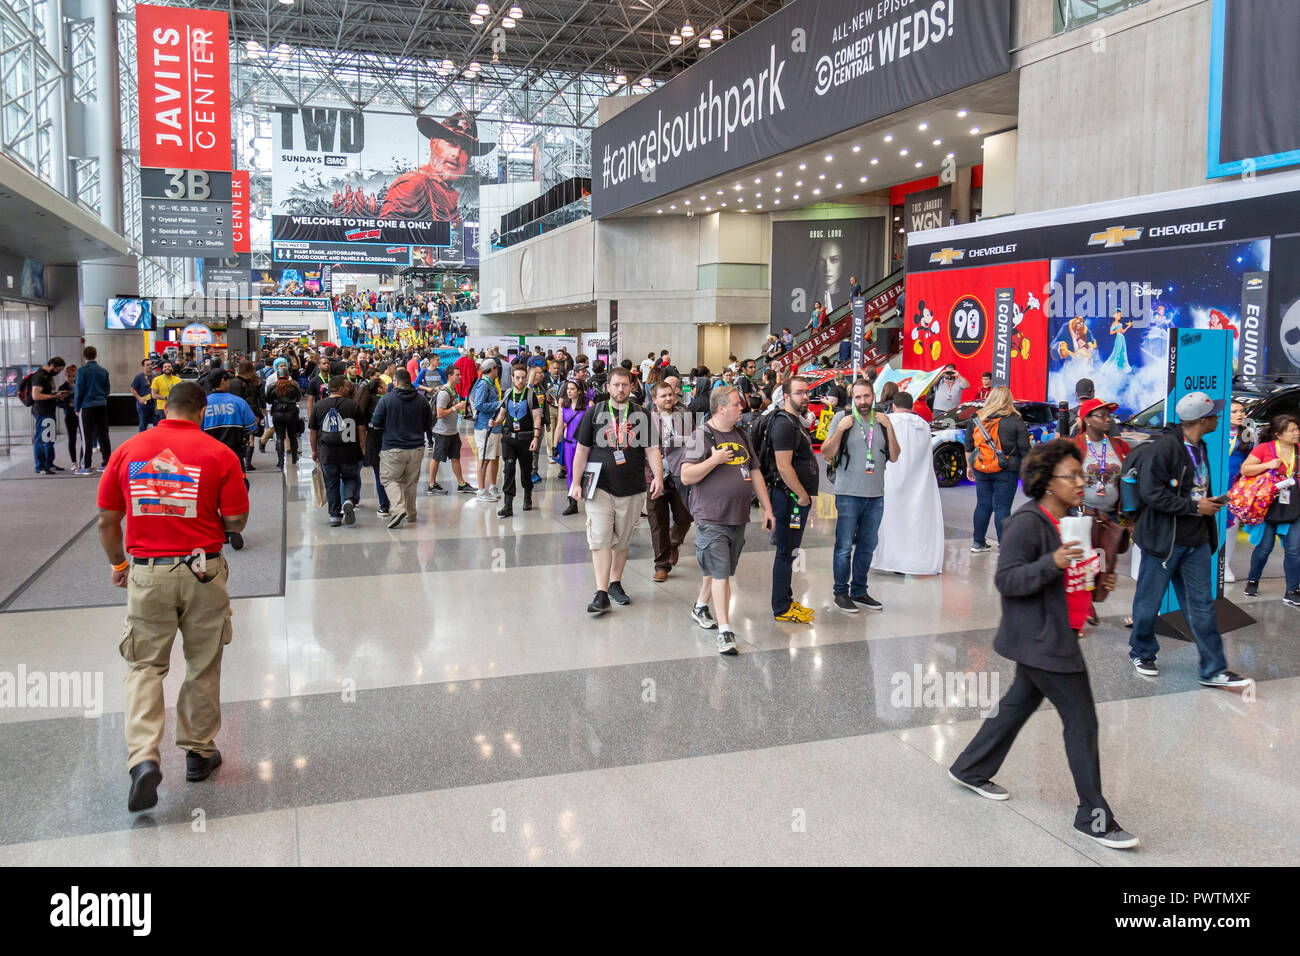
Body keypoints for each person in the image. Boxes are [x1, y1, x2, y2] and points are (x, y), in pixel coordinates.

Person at [947, 439, 1139, 851]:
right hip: (1041, 639)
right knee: (1082, 722)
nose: (1080, 482)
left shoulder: (1069, 521)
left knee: (1018, 703)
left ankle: (970, 767)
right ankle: (1093, 815)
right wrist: (1050, 563)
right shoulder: (1026, 523)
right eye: (1072, 476)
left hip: (1058, 630)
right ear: (1048, 482)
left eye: (1080, 474)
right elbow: (1007, 581)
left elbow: (1071, 581)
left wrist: (1097, 583)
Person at [95, 382, 249, 812]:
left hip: (148, 573)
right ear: (201, 412)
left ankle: (143, 758)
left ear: (166, 406)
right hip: (203, 570)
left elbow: (107, 519)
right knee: (202, 660)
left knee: (144, 666)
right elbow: (235, 520)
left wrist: (119, 566)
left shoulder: (130, 450)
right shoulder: (220, 454)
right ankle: (199, 753)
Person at [1128, 391, 1251, 688]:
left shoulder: (1201, 446)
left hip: (1195, 540)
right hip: (1165, 541)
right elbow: (1152, 493)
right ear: (1201, 419)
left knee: (1202, 606)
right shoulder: (1164, 448)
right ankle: (1142, 651)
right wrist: (1196, 506)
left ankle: (1213, 669)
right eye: (1214, 414)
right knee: (1149, 601)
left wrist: (1207, 503)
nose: (1219, 418)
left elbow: (1191, 487)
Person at [680, 385, 775, 654]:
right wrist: (715, 460)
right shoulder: (702, 435)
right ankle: (725, 632)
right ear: (721, 408)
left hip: (738, 515)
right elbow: (687, 476)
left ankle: (700, 607)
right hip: (711, 516)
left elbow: (754, 472)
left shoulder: (742, 433)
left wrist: (767, 509)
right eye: (736, 404)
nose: (741, 407)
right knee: (721, 574)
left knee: (718, 570)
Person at [568, 366, 664, 615]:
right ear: (607, 387)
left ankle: (615, 583)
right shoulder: (594, 413)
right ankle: (600, 592)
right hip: (599, 486)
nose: (620, 389)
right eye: (616, 385)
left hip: (632, 488)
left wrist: (658, 478)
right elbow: (581, 451)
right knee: (600, 538)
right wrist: (575, 483)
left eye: (625, 385)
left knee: (622, 540)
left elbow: (652, 450)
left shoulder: (642, 415)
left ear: (632, 386)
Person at [819, 378, 899, 612]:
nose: (863, 401)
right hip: (848, 493)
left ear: (873, 396)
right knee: (844, 546)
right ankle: (840, 592)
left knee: (867, 546)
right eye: (858, 397)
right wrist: (840, 430)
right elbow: (826, 453)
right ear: (852, 398)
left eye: (866, 396)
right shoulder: (842, 419)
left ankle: (860, 591)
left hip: (875, 495)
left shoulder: (882, 422)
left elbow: (894, 456)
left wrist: (890, 427)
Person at [873, 392, 945, 575]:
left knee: (889, 521)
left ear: (894, 406)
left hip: (891, 480)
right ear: (912, 406)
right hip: (920, 483)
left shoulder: (888, 421)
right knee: (915, 523)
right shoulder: (923, 425)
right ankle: (915, 561)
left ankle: (888, 559)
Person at [768, 376, 819, 623]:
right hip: (788, 498)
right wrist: (801, 495)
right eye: (799, 393)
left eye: (807, 392)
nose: (805, 396)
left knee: (790, 551)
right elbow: (784, 467)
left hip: (794, 498)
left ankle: (786, 600)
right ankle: (781, 607)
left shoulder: (794, 421)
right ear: (786, 396)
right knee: (785, 551)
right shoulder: (784, 425)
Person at [379, 112, 493, 221]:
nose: (457, 153)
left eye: (466, 149)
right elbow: (388, 232)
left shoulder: (450, 193)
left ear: (468, 159)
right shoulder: (414, 183)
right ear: (433, 142)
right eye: (451, 142)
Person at [1239, 413, 1300, 606]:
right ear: (1278, 434)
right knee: (1264, 548)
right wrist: (1268, 465)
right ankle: (1253, 580)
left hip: (1294, 506)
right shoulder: (1264, 449)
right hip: (1267, 506)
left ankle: (1291, 590)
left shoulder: (1299, 449)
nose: (1296, 433)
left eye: (1297, 429)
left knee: (1294, 550)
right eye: (1292, 430)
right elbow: (1245, 470)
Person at [966, 386, 1030, 553]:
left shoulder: (976, 418)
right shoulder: (1015, 420)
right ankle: (1004, 544)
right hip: (1007, 470)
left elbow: (968, 446)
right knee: (1002, 507)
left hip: (981, 468)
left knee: (982, 505)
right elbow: (1025, 448)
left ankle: (978, 542)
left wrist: (969, 466)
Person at [370, 368, 433, 529]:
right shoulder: (421, 400)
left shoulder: (386, 400)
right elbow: (428, 424)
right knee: (411, 482)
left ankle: (398, 509)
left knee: (389, 479)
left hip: (392, 448)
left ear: (396, 382)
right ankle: (411, 514)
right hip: (417, 448)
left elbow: (375, 422)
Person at [646, 381, 693, 583]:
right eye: (663, 396)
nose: (668, 398)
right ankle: (661, 565)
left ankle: (673, 542)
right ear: (654, 399)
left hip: (681, 474)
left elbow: (694, 443)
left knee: (685, 516)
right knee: (658, 521)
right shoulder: (645, 420)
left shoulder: (685, 417)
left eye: (670, 395)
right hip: (653, 477)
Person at [309, 376, 365, 527]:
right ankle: (348, 499)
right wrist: (363, 447)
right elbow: (361, 429)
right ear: (340, 388)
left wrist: (314, 450)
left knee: (331, 483)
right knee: (350, 478)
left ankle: (334, 516)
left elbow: (313, 431)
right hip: (349, 450)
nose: (349, 388)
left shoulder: (319, 405)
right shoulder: (353, 405)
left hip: (327, 451)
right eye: (346, 386)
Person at [493, 363, 542, 517]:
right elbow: (502, 414)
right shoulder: (507, 393)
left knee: (526, 471)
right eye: (517, 378)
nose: (520, 381)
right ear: (512, 378)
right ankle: (508, 505)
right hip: (508, 439)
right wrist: (495, 422)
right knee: (508, 470)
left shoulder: (530, 394)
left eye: (523, 378)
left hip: (526, 439)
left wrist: (535, 437)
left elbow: (536, 416)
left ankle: (527, 496)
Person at [1071, 398, 1129, 520]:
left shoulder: (1120, 446)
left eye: (1109, 415)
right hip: (1082, 512)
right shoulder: (1074, 446)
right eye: (1101, 416)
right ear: (1087, 420)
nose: (1108, 419)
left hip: (1112, 515)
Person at [427, 365, 472, 495]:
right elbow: (440, 413)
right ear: (449, 376)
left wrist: (459, 410)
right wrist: (455, 408)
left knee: (455, 457)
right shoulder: (444, 393)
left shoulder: (454, 391)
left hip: (452, 431)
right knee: (437, 457)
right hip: (442, 432)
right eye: (457, 375)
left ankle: (462, 484)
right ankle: (431, 484)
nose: (460, 377)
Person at [1223, 400, 1252, 582]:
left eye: (1242, 411)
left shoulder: (1248, 434)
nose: (1240, 414)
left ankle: (1224, 565)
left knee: (1231, 527)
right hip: (1212, 485)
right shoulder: (1215, 431)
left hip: (1236, 488)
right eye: (1235, 411)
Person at [356, 378, 392, 517]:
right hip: (387, 440)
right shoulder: (384, 402)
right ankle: (395, 502)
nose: (387, 387)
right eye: (384, 385)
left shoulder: (365, 404)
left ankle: (384, 505)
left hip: (372, 441)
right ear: (379, 389)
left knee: (379, 475)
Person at [74, 346, 112, 473]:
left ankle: (86, 466)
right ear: (96, 355)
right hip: (101, 405)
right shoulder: (103, 371)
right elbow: (107, 390)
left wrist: (76, 407)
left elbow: (79, 390)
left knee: (87, 436)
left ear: (84, 356)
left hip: (86, 406)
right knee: (104, 435)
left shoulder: (82, 371)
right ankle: (107, 463)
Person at [470, 358, 503, 501]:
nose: (498, 371)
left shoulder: (490, 383)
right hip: (485, 427)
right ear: (492, 369)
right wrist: (497, 404)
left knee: (494, 457)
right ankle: (481, 489)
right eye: (496, 368)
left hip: (494, 427)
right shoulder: (484, 384)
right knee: (484, 459)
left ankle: (492, 486)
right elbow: (478, 405)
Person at [555, 379, 588, 516]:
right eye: (568, 388)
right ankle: (572, 503)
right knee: (570, 473)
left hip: (583, 445)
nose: (569, 391)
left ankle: (589, 499)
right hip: (569, 444)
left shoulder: (587, 406)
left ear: (579, 391)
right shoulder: (564, 407)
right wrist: (555, 445)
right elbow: (559, 426)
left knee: (586, 473)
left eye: (572, 389)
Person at [28, 356, 65, 474]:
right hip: (42, 412)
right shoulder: (39, 377)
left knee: (50, 438)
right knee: (41, 438)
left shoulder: (47, 376)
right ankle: (40, 466)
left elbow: (45, 392)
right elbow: (36, 396)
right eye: (58, 370)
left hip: (49, 410)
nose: (58, 373)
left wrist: (57, 394)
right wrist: (54, 396)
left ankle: (49, 463)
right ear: (52, 365)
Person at [267, 370, 304, 469]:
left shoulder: (273, 387)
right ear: (288, 376)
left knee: (279, 437)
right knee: (292, 436)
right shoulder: (293, 387)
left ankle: (280, 461)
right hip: (291, 413)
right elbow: (298, 398)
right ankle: (294, 457)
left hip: (277, 413)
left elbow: (268, 399)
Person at [130, 359, 157, 431]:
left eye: (151, 364)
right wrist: (139, 398)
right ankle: (141, 440)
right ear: (143, 366)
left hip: (154, 404)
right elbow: (132, 389)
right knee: (143, 424)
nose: (150, 366)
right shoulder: (139, 377)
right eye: (147, 365)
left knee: (157, 424)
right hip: (143, 404)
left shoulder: (156, 377)